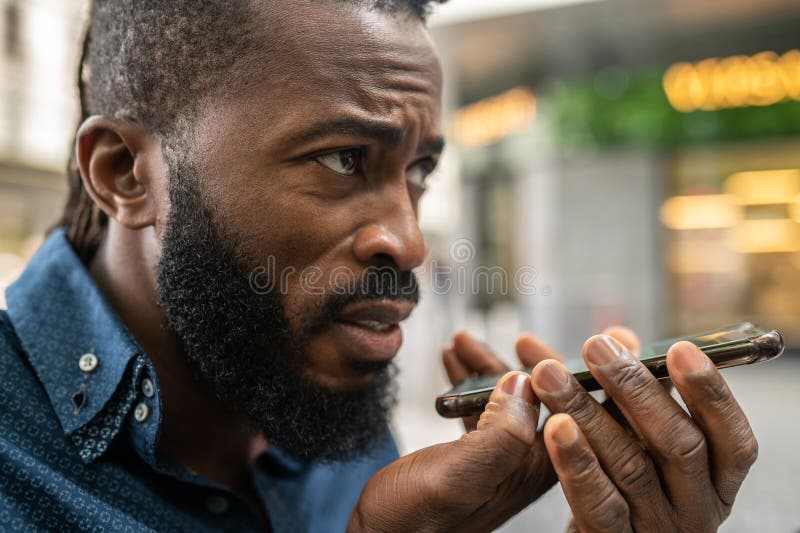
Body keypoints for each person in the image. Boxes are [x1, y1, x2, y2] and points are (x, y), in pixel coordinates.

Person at [0, 1, 758, 531]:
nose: (409, 240)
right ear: (126, 171)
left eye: (419, 170)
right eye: (342, 159)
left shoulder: (316, 388)